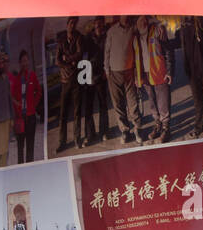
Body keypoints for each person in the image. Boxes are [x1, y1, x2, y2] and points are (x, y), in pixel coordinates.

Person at [133, 15, 172, 143]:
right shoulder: (136, 38)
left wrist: (169, 71)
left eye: (144, 18)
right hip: (145, 75)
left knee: (163, 103)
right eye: (139, 19)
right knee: (152, 103)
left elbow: (168, 51)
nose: (142, 21)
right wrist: (136, 77)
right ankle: (158, 125)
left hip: (160, 73)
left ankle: (166, 129)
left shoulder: (157, 30)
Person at [103, 15, 142, 144]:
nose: (125, 16)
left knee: (133, 101)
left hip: (129, 72)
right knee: (118, 104)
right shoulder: (112, 31)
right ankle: (125, 131)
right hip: (114, 73)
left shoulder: (133, 29)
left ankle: (137, 128)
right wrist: (107, 70)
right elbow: (107, 51)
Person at [180, 16, 203, 139]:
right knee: (198, 102)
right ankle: (198, 127)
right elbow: (182, 46)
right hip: (192, 70)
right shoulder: (184, 24)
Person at [55, 16, 85, 152]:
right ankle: (62, 142)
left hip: (76, 80)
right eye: (70, 23)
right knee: (63, 113)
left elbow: (80, 53)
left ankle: (77, 139)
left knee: (77, 112)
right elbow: (57, 61)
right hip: (65, 80)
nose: (72, 26)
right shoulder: (61, 40)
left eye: (74, 23)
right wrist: (68, 64)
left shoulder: (79, 37)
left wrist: (67, 58)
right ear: (67, 24)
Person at [11, 50, 43, 163]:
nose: (25, 63)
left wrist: (33, 105)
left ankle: (30, 168)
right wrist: (17, 107)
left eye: (26, 60)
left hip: (30, 118)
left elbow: (39, 91)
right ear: (19, 63)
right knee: (20, 147)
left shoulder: (32, 75)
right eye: (22, 61)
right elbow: (12, 96)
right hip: (20, 119)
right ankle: (20, 168)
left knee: (30, 146)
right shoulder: (17, 79)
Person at [84, 16, 111, 144]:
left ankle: (104, 131)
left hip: (102, 74)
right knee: (88, 107)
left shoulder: (107, 37)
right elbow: (82, 55)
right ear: (94, 26)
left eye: (101, 25)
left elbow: (110, 53)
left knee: (103, 105)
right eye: (97, 25)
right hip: (89, 75)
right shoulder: (88, 38)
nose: (99, 27)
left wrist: (107, 70)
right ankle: (90, 135)